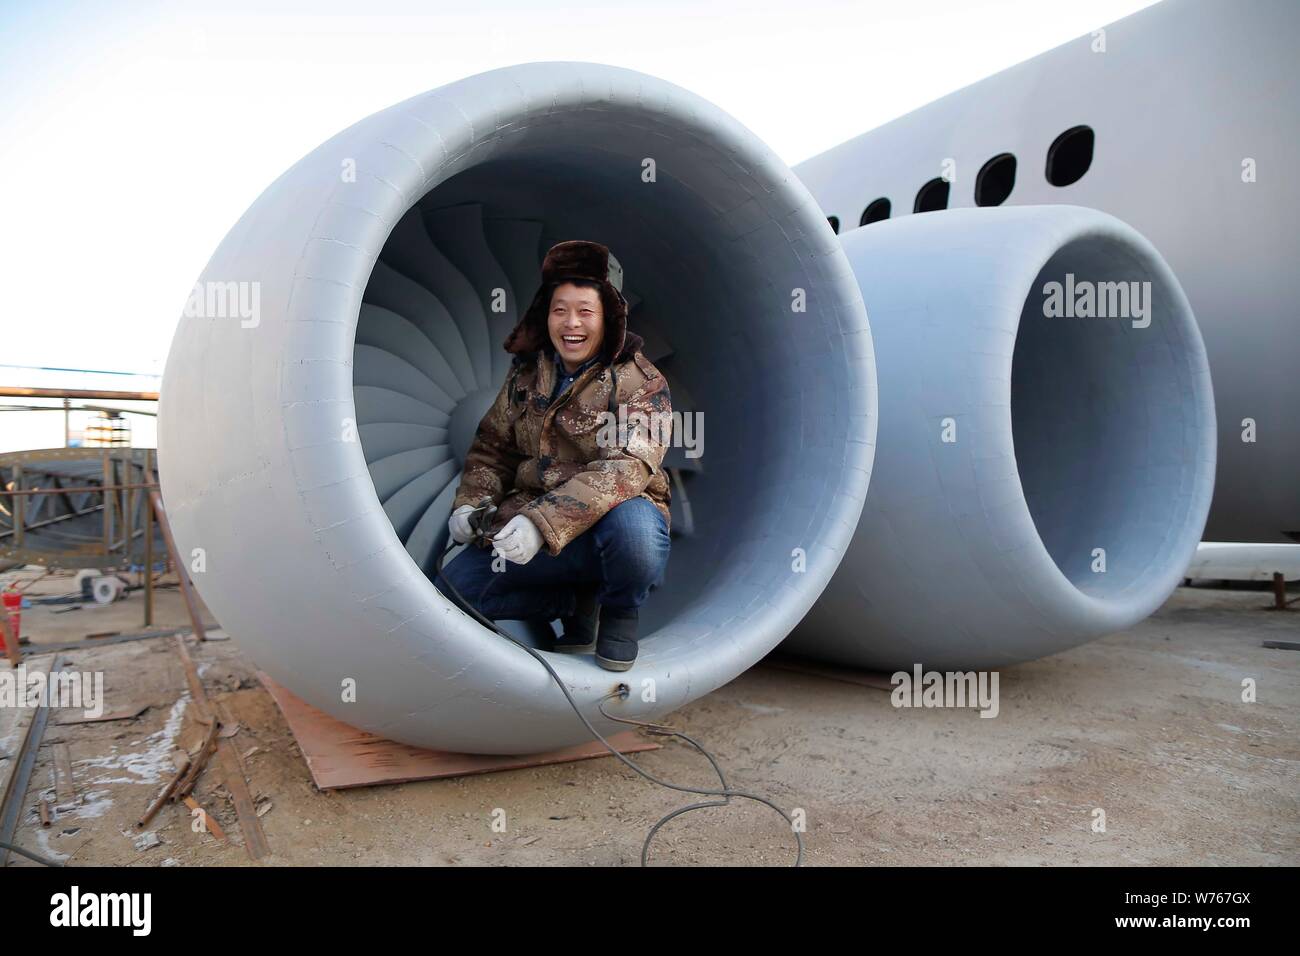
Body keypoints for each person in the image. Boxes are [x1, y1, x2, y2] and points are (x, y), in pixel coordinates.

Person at [438, 240, 672, 671]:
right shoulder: (527, 373)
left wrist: (539, 524)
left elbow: (627, 467)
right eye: (559, 309)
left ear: (609, 316)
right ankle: (574, 602)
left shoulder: (640, 381)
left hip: (607, 530)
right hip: (535, 532)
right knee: (452, 591)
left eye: (585, 310)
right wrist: (471, 502)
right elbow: (493, 447)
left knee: (636, 536)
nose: (571, 323)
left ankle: (618, 609)